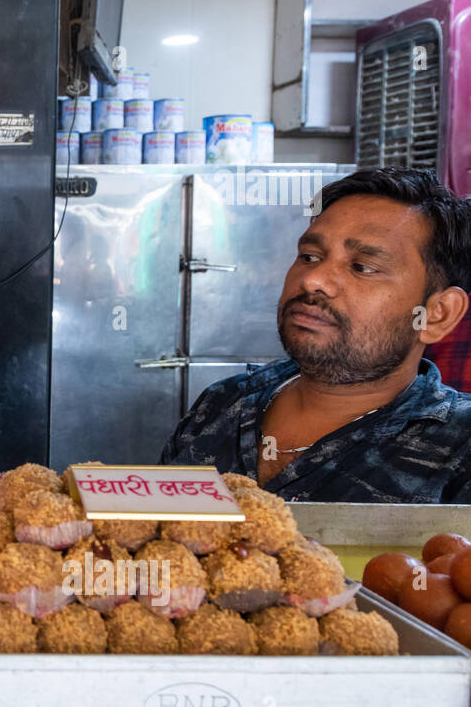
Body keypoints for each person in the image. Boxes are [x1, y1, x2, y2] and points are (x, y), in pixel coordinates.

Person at [160, 168, 471, 503]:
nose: (313, 279)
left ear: (438, 314)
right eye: (309, 256)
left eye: (362, 267)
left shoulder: (459, 445)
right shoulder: (223, 403)